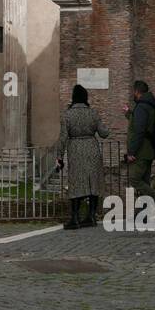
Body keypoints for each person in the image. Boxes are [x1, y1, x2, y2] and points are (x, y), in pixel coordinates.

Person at [59, 84, 110, 229]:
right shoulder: (93, 113)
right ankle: (91, 217)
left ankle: (74, 218)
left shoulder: (67, 115)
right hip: (92, 149)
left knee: (76, 184)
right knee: (93, 183)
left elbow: (63, 137)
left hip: (75, 149)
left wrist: (59, 156)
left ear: (73, 97)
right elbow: (104, 133)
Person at [123, 80, 155, 197]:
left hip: (141, 151)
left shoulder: (141, 107)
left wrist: (131, 152)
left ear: (137, 91)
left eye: (134, 92)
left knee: (134, 179)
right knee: (145, 181)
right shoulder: (149, 105)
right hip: (149, 150)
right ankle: (146, 210)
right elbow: (142, 123)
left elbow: (139, 131)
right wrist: (129, 113)